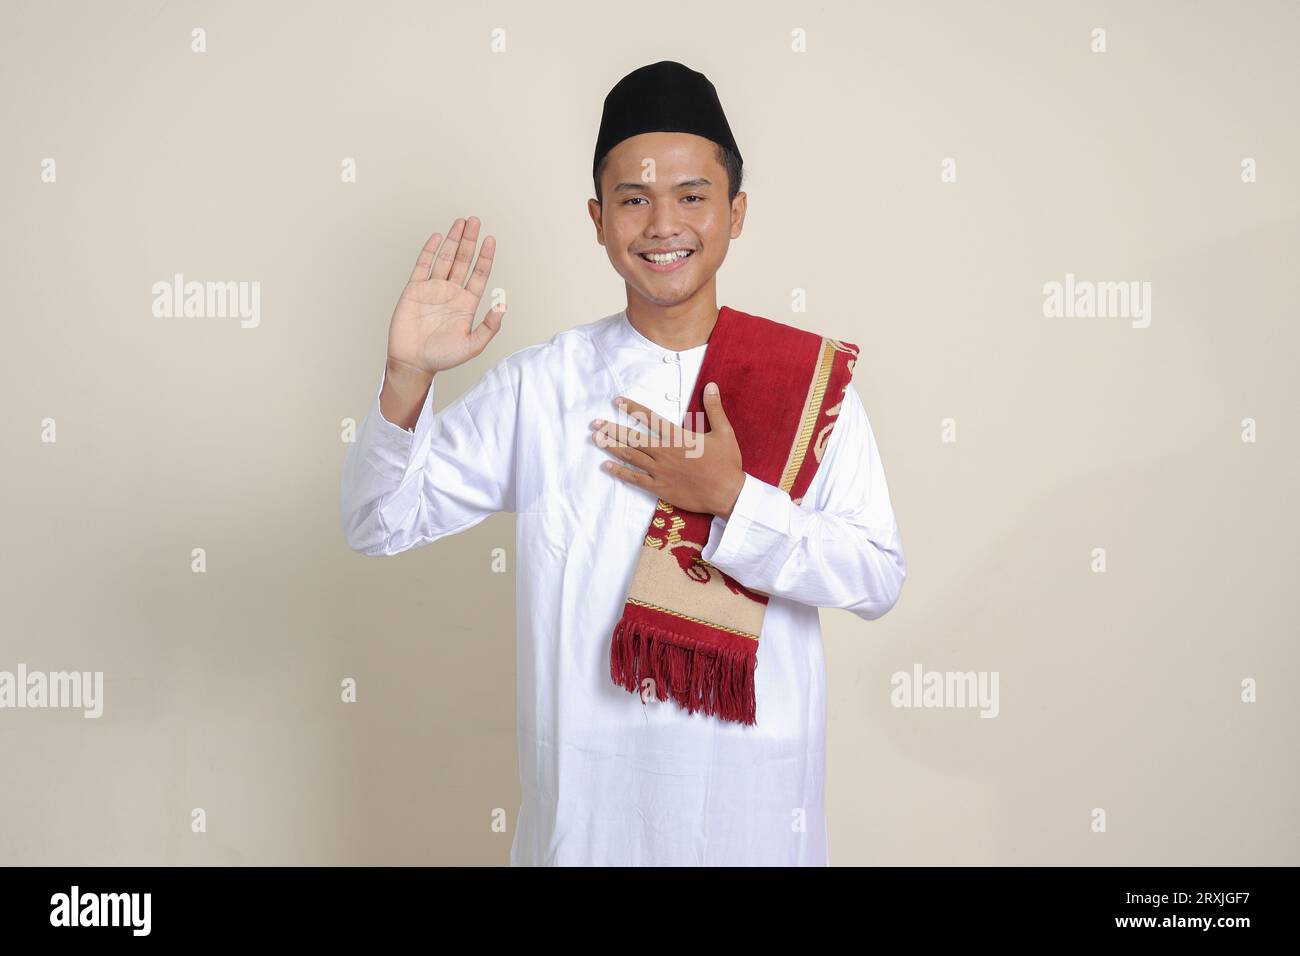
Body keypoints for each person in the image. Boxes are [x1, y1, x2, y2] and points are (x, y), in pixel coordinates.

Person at [340, 60, 907, 866]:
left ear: (736, 212)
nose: (662, 224)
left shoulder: (809, 386)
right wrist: (407, 378)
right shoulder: (543, 387)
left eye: (692, 196)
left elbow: (877, 575)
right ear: (598, 218)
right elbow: (376, 521)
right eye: (634, 199)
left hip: (753, 820)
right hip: (587, 827)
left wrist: (732, 501)